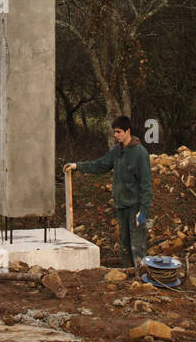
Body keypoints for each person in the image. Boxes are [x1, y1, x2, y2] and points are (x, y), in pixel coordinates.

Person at [64, 115, 153, 268]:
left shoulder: (140, 153)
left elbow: (146, 185)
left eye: (119, 132)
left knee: (137, 245)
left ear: (128, 131)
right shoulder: (117, 152)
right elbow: (100, 165)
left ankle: (142, 276)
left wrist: (143, 211)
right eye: (115, 132)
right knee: (124, 244)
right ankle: (128, 273)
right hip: (121, 206)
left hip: (135, 208)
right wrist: (78, 166)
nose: (116, 135)